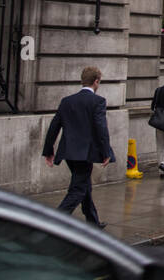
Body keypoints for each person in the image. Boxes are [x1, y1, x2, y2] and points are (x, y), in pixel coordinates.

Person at [42, 66, 114, 228]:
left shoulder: (67, 101)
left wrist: (48, 151)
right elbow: (101, 128)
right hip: (85, 153)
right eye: (99, 82)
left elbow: (54, 126)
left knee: (84, 185)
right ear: (96, 81)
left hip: (68, 152)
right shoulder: (98, 101)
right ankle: (54, 221)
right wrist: (106, 151)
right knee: (78, 190)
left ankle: (93, 222)